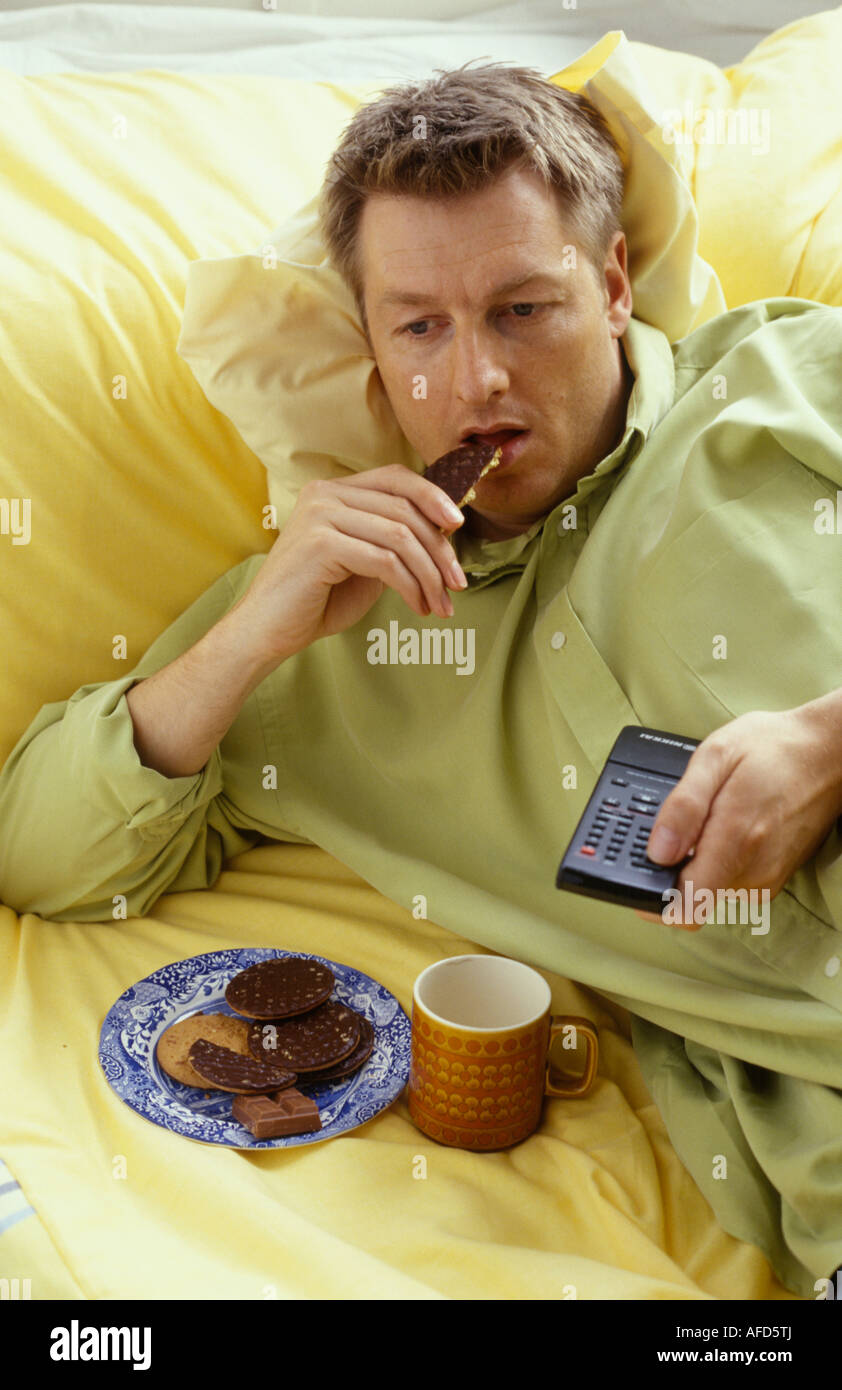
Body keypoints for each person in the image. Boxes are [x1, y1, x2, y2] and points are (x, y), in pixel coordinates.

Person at [2, 61, 842, 1299]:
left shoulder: (787, 385)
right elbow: (38, 849)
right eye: (419, 327)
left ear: (611, 288)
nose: (474, 383)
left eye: (522, 310)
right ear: (370, 340)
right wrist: (249, 640)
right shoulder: (314, 638)